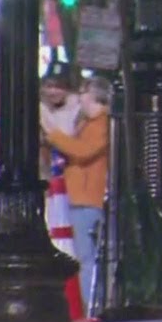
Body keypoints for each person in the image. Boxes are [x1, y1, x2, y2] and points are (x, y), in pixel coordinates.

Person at [41, 75, 111, 307]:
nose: (79, 98)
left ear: (94, 96)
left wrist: (52, 133)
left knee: (86, 257)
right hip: (80, 197)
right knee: (85, 256)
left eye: (83, 93)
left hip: (87, 199)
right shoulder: (88, 123)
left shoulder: (101, 124)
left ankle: (92, 305)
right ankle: (91, 303)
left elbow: (81, 151)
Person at [39, 62, 80, 181]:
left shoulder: (79, 108)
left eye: (59, 87)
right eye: (49, 86)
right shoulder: (39, 108)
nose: (53, 91)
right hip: (45, 173)